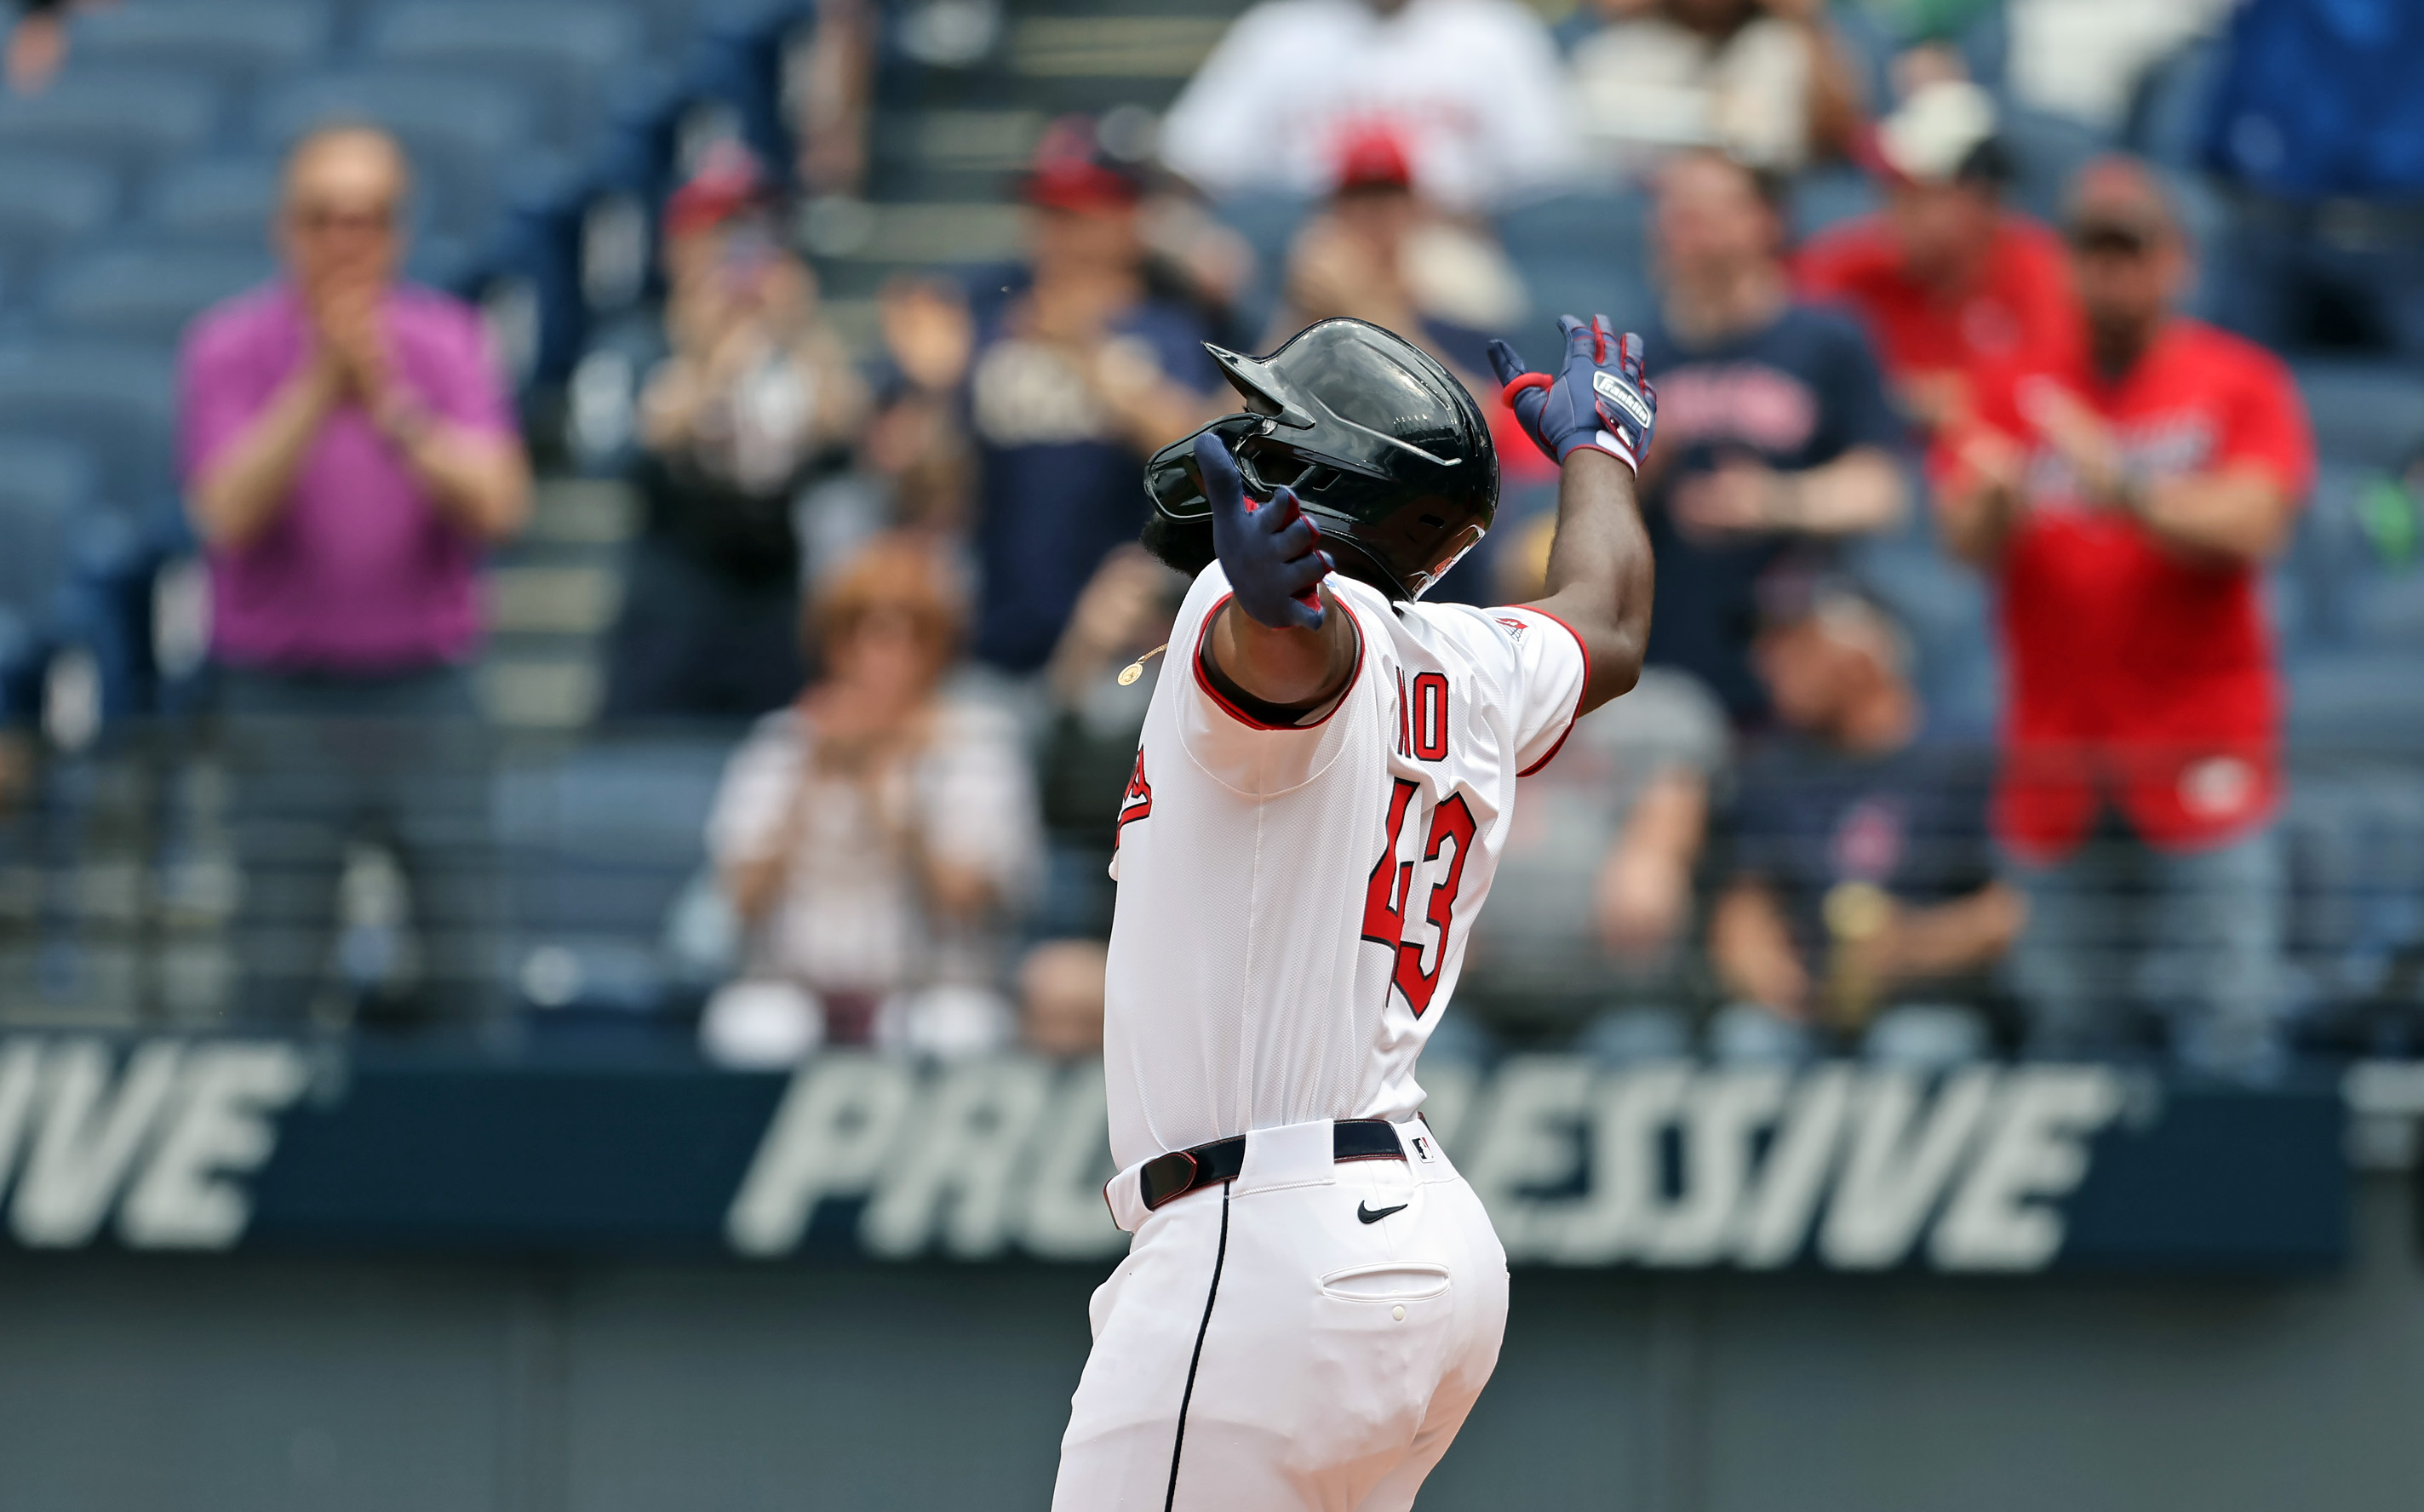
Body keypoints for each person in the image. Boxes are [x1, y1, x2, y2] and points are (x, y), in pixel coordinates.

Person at [1051, 312, 1659, 1509]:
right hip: (1418, 1245)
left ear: (1328, 478)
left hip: (1264, 1237)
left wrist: (1276, 609)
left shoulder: (1244, 622)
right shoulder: (1476, 662)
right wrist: (1600, 448)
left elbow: (1295, 670)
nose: (1240, 443)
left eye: (1275, 432)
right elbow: (1612, 621)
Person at [1936, 157, 2315, 1077]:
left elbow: (2257, 519)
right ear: (2064, 263)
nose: (2112, 274)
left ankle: (2235, 1221)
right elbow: (1960, 536)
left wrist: (2123, 486)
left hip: (2201, 747)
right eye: (2093, 252)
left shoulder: (2238, 381)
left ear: (2176, 262)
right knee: (2070, 1032)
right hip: (2059, 757)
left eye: (2132, 252)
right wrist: (1995, 500)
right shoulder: (2014, 386)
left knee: (2230, 1025)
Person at [179, 123, 530, 1026]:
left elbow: (501, 505)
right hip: (284, 700)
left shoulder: (446, 342)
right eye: (322, 217)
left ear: (397, 233)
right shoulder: (228, 346)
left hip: (426, 695)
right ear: (284, 231)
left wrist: (392, 408)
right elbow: (224, 510)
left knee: (468, 965)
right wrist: (315, 390)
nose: (344, 240)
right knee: (274, 971)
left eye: (367, 218)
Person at [703, 536, 1040, 1057]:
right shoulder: (784, 741)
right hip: (792, 987)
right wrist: (811, 777)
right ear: (831, 645)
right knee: (754, 1028)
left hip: (934, 988)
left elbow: (968, 900)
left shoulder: (977, 742)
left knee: (954, 1031)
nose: (879, 657)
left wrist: (888, 786)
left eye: (908, 637)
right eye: (858, 634)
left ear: (938, 648)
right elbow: (739, 900)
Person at [1639, 148, 1907, 724]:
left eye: (1703, 212)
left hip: (1797, 658)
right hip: (1668, 656)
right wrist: (1629, 475)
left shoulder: (1827, 340)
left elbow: (1880, 490)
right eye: (1673, 213)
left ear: (1764, 221)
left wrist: (1772, 501)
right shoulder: (1631, 357)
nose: (1683, 229)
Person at [605, 144, 869, 720]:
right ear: (677, 245)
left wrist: (801, 337)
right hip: (671, 614)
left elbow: (848, 446)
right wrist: (704, 357)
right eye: (717, 234)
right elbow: (625, 458)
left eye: (751, 235)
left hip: (775, 609)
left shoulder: (798, 352)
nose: (736, 258)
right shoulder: (636, 345)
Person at [1710, 580, 2019, 1056]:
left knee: (1914, 1045)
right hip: (1810, 1002)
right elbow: (1746, 897)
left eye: (1795, 645)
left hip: (1935, 1000)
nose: (1766, 664)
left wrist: (1913, 948)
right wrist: (1761, 966)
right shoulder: (1773, 767)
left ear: (1861, 655)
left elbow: (2013, 909)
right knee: (1748, 1039)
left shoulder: (1965, 758)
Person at [961, 117, 1222, 676]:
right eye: (1043, 211)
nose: (1052, 232)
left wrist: (1082, 351)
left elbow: (1195, 452)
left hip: (1125, 649)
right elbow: (933, 479)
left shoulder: (1167, 330)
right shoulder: (995, 326)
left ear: (1127, 220)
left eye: (1074, 213)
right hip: (997, 638)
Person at [1796, 79, 2080, 452]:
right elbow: (1787, 362)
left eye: (1917, 191)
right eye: (1890, 188)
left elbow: (2055, 401)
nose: (1893, 207)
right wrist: (1909, 400)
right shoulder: (1850, 266)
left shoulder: (2042, 270)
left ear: (1981, 198)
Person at [1158, 0, 1580, 214]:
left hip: (1448, 237)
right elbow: (1191, 164)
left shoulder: (1495, 31)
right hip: (1306, 239)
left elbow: (1550, 177)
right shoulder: (1280, 31)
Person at [1565, 0, 1869, 176]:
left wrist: (1805, 21)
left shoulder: (1783, 46)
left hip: (1757, 224)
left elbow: (1838, 132)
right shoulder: (1616, 51)